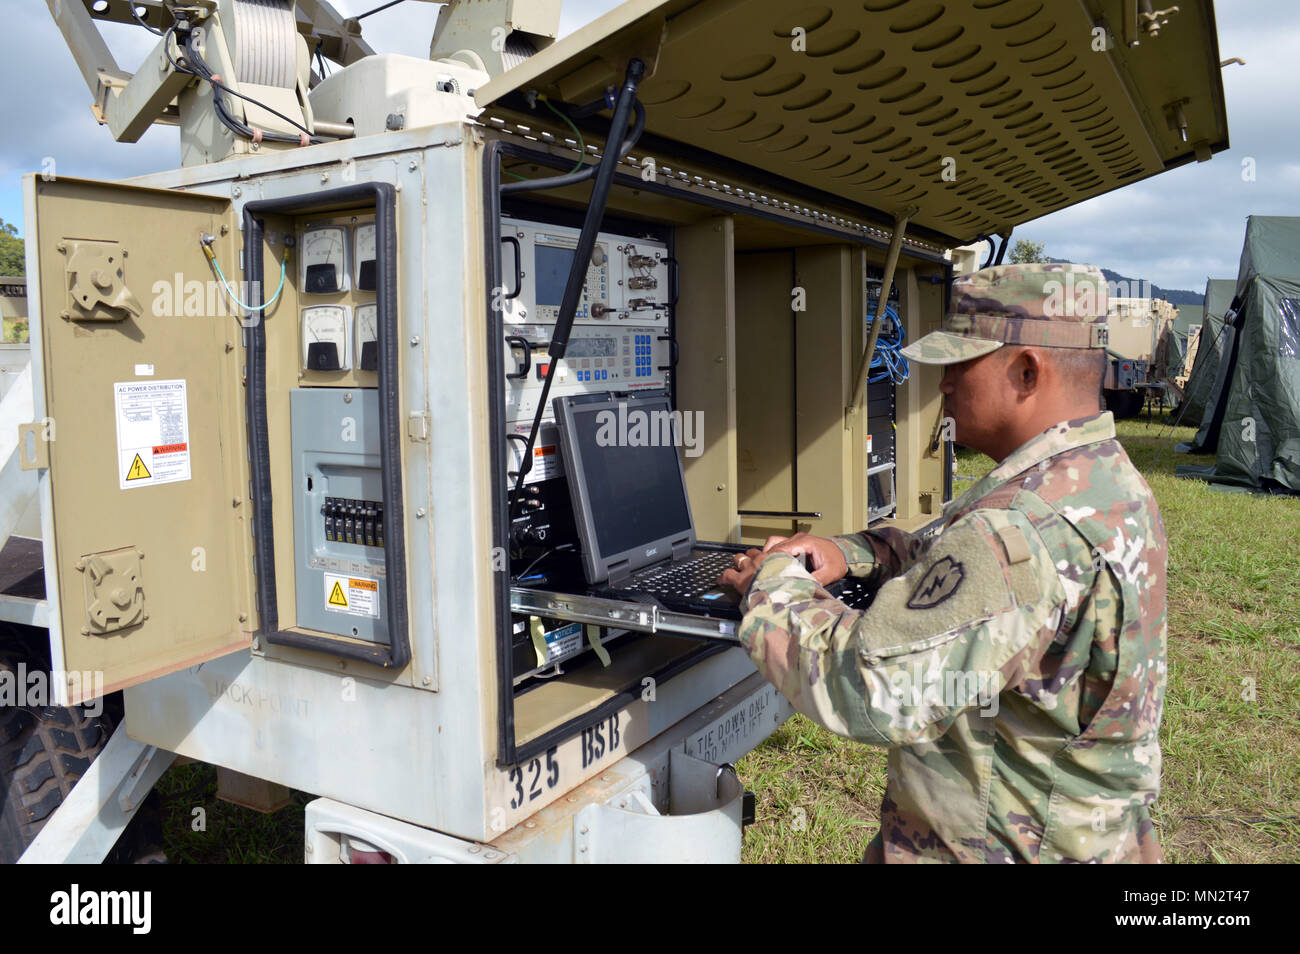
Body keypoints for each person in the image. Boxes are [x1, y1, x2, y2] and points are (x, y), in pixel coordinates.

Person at [720, 263, 1167, 864]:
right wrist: (848, 555)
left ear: (1027, 371)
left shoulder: (1022, 527)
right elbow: (946, 551)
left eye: (960, 363)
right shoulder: (1099, 480)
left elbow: (870, 686)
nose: (943, 384)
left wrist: (770, 585)